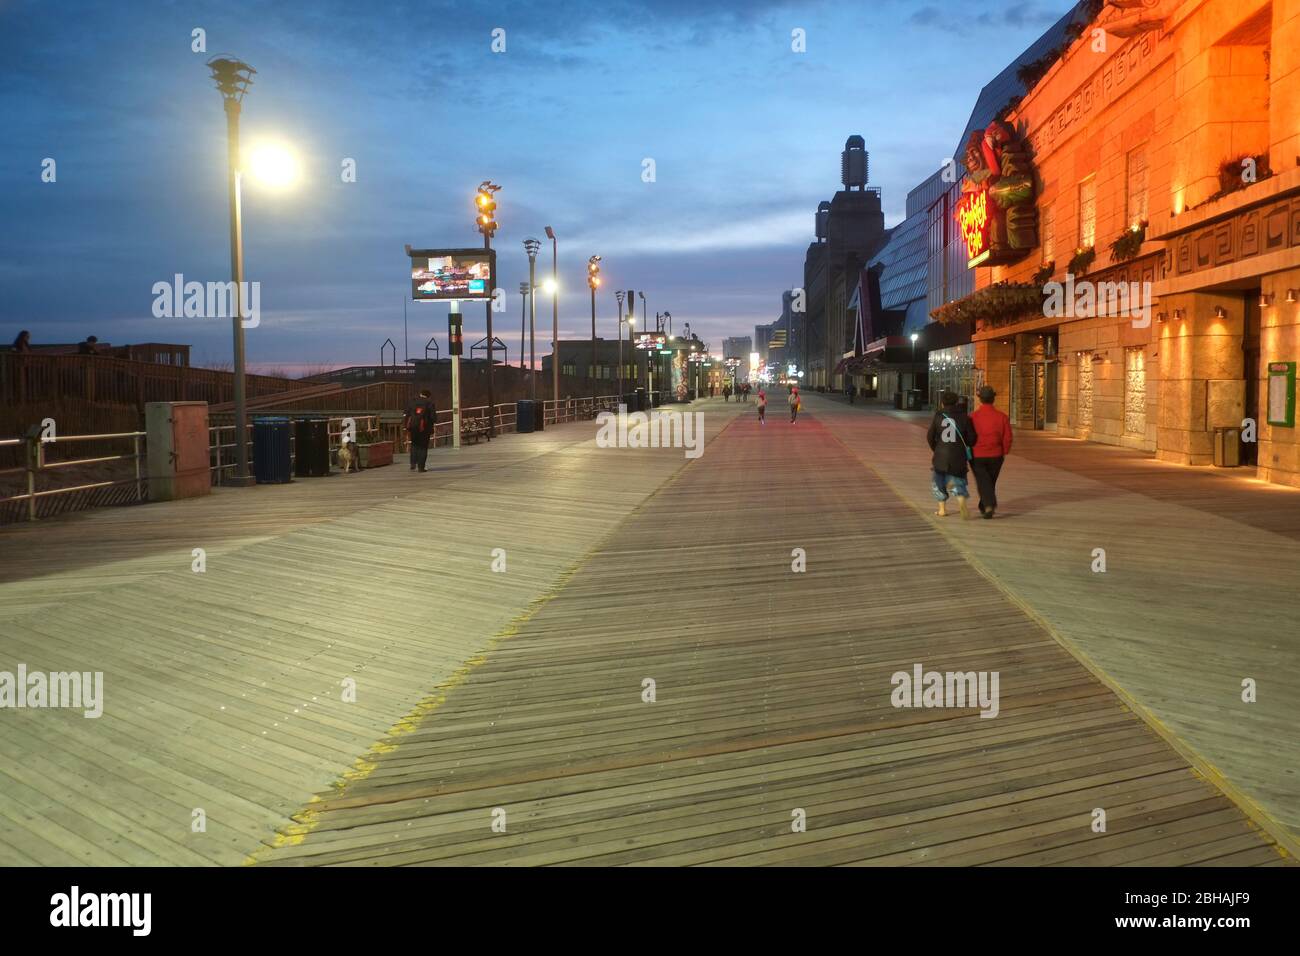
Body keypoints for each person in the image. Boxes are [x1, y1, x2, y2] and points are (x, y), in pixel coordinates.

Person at [926, 390, 977, 518]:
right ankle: (961, 501)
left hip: (941, 455)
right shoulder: (965, 417)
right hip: (958, 455)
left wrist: (936, 448)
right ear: (956, 402)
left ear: (942, 403)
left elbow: (930, 436)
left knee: (938, 482)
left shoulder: (938, 416)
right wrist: (966, 444)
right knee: (959, 480)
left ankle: (942, 509)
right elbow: (972, 438)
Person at [969, 385, 1013, 519]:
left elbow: (968, 435)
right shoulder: (1002, 417)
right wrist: (1004, 451)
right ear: (993, 399)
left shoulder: (972, 417)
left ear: (980, 399)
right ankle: (985, 505)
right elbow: (1008, 437)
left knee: (983, 481)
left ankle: (988, 505)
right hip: (996, 455)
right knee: (990, 481)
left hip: (977, 454)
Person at [403, 388, 437, 472]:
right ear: (428, 396)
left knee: (414, 445)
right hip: (424, 429)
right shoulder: (430, 403)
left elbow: (406, 413)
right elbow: (433, 418)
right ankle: (421, 467)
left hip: (413, 428)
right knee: (423, 447)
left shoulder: (412, 402)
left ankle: (413, 464)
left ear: (420, 394)